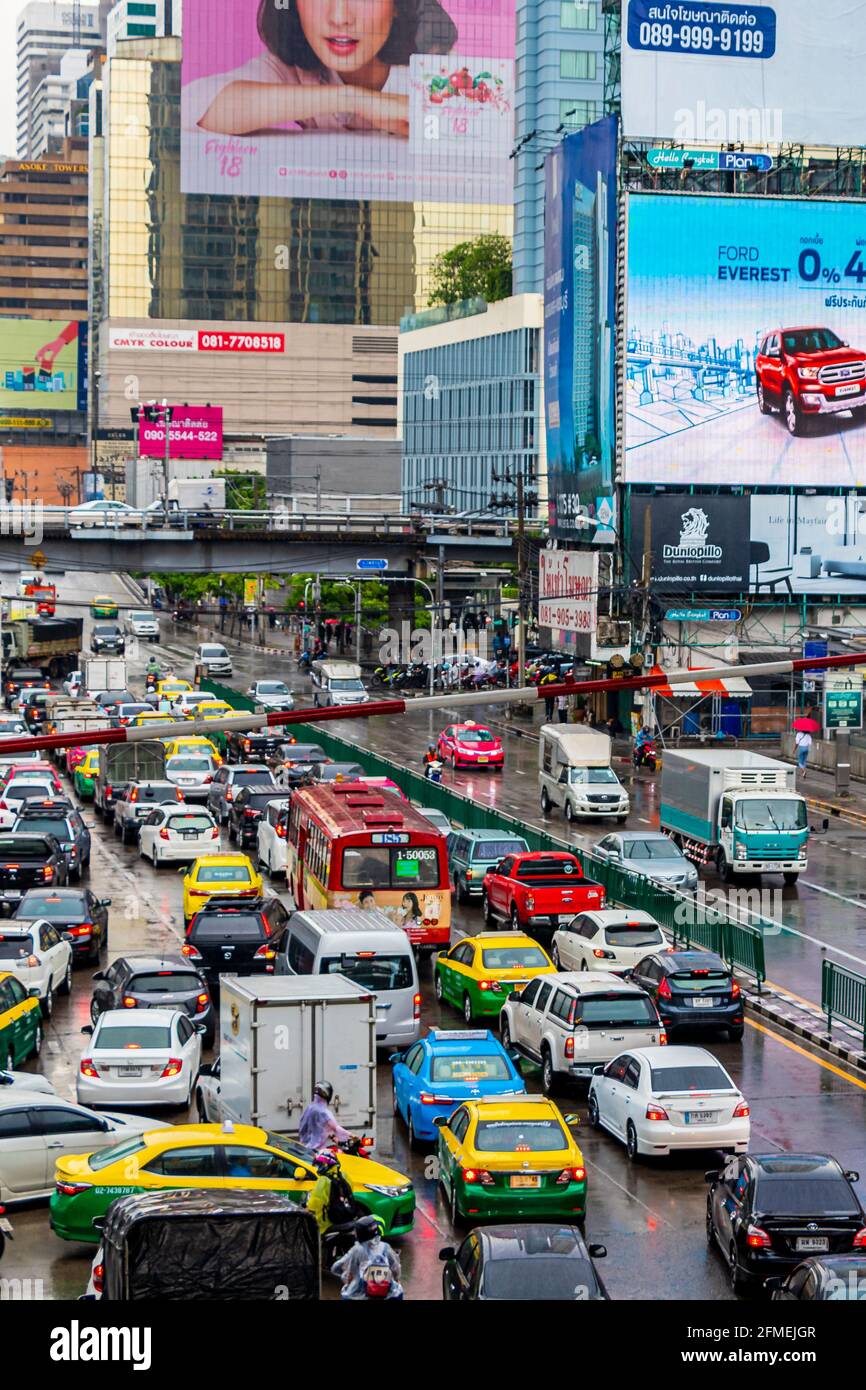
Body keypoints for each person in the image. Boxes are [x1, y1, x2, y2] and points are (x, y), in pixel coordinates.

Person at [185, 0, 460, 141]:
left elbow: (484, 136)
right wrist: (353, 98)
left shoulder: (438, 72)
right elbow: (197, 107)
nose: (339, 17)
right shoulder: (292, 69)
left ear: (399, 6)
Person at [331, 1214, 404, 1300]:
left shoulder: (356, 1250)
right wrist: (395, 1279)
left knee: (346, 1293)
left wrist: (346, 1277)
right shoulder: (385, 1247)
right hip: (389, 1295)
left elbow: (335, 1268)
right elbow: (396, 1269)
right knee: (398, 1290)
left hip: (358, 1296)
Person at [307, 1151, 358, 1237]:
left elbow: (314, 1205)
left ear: (325, 1165)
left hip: (326, 1225)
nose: (317, 1168)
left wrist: (308, 1210)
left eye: (319, 1165)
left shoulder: (323, 1181)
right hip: (347, 1217)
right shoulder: (345, 1176)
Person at [298, 1080, 352, 1152]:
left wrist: (333, 1136)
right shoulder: (323, 1112)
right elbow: (336, 1128)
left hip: (304, 1148)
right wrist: (353, 1136)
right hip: (316, 1151)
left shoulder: (310, 1107)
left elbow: (318, 1128)